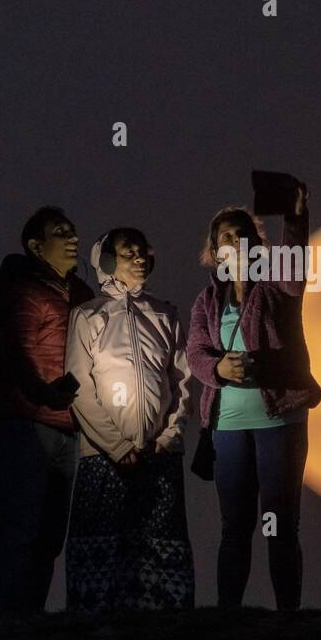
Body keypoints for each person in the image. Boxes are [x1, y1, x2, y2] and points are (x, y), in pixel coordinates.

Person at [187, 180, 321, 610]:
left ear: (256, 239)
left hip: (278, 419)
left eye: (242, 230)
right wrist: (217, 368)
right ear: (214, 248)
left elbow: (296, 266)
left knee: (282, 523)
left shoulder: (277, 284)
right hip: (226, 425)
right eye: (225, 234)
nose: (234, 239)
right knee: (235, 526)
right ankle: (228, 615)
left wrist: (296, 219)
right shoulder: (208, 299)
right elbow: (194, 351)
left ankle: (287, 616)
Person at [63, 227, 196, 611]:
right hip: (104, 458)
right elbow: (79, 388)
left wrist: (169, 438)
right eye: (128, 252)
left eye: (143, 252)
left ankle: (163, 631)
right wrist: (117, 446)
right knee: (103, 551)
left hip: (159, 456)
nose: (140, 258)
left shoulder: (165, 314)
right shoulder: (87, 316)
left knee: (159, 548)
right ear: (105, 260)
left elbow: (183, 383)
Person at [0, 205, 95, 613]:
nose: (72, 236)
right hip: (24, 420)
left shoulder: (80, 295)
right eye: (60, 231)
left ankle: (29, 616)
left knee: (50, 532)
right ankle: (11, 617)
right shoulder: (24, 289)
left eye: (72, 228)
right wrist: (47, 394)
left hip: (66, 424)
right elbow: (17, 351)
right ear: (36, 245)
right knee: (22, 524)